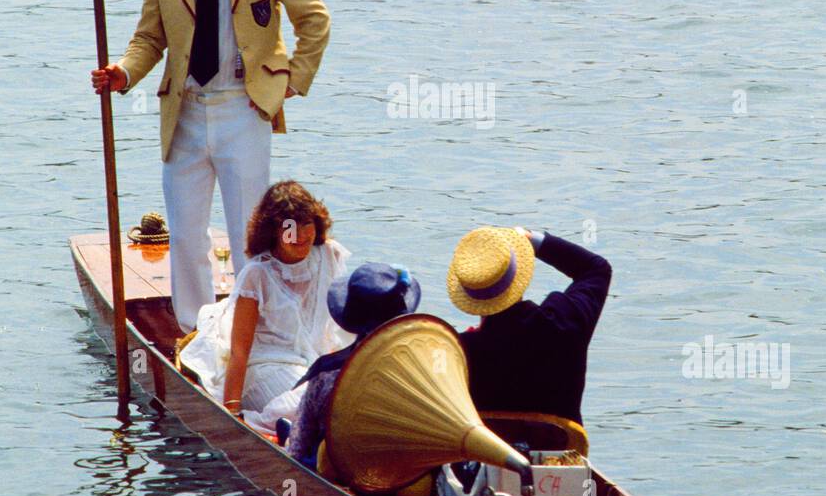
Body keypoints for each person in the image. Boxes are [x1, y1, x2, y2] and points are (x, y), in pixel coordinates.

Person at [91, 0, 331, 332]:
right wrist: (122, 73)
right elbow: (149, 39)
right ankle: (193, 332)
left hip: (245, 110)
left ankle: (256, 330)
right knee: (184, 235)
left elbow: (315, 20)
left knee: (252, 235)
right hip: (185, 114)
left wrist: (290, 83)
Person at [179, 181, 351, 433]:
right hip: (265, 366)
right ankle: (273, 425)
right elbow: (239, 351)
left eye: (306, 224)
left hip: (314, 362)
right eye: (289, 228)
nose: (300, 235)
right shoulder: (257, 274)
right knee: (310, 405)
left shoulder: (328, 254)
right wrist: (231, 413)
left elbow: (342, 323)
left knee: (351, 399)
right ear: (273, 232)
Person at [447, 226, 612, 423]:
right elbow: (596, 269)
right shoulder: (563, 322)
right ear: (518, 276)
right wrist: (533, 240)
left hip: (484, 455)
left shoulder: (456, 353)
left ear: (469, 294)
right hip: (562, 453)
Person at [286, 263, 421, 465]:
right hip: (395, 472)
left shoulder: (326, 375)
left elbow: (298, 444)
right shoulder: (418, 374)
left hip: (338, 470)